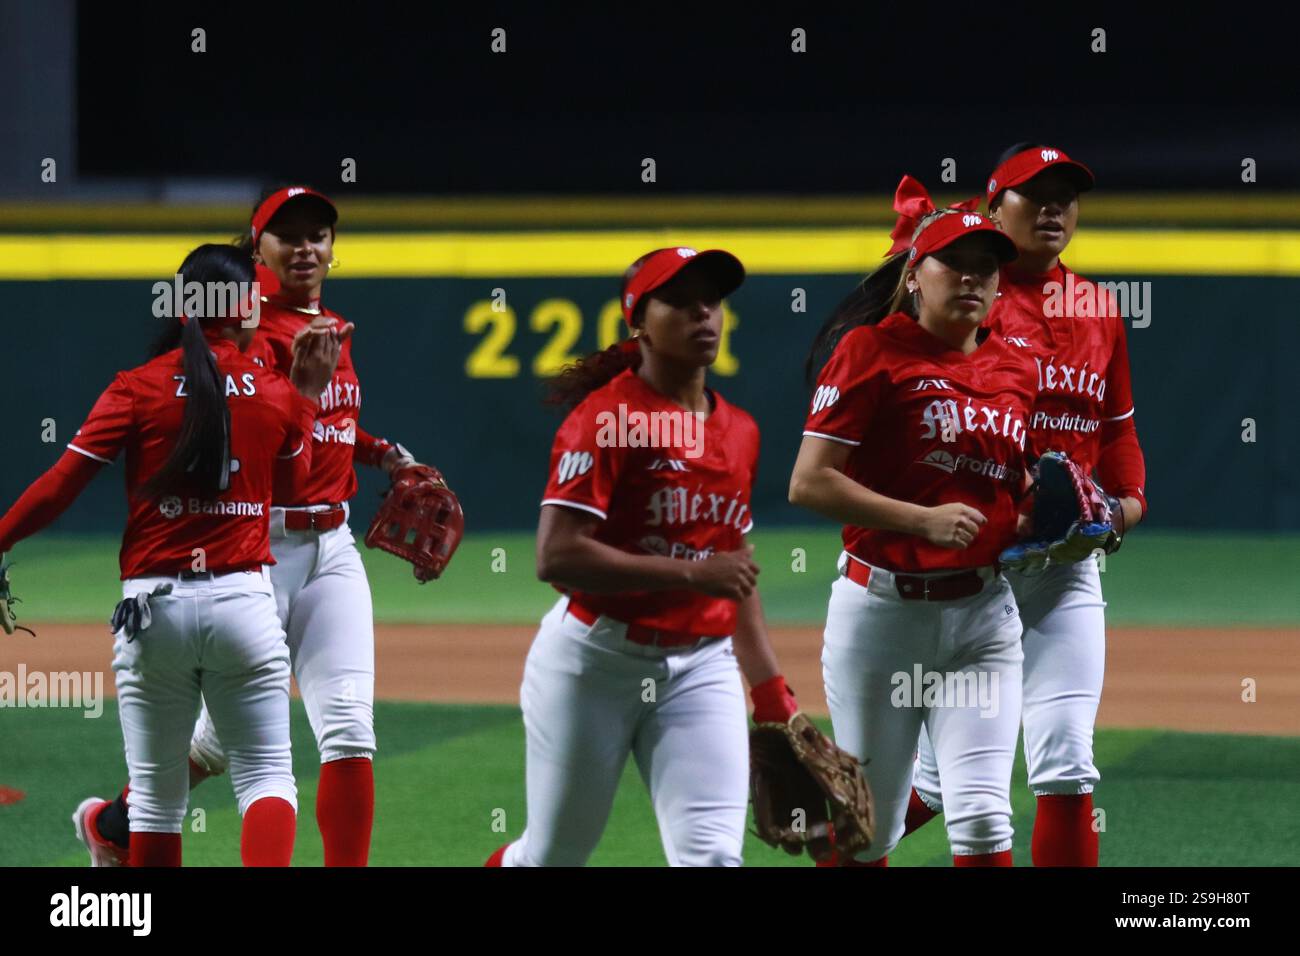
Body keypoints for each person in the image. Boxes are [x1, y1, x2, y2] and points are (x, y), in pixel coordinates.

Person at [77, 186, 442, 867]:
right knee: (227, 746)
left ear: (334, 248)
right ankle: (125, 824)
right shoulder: (244, 333)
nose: (306, 247)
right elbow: (274, 426)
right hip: (255, 544)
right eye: (288, 236)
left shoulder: (328, 326)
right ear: (257, 249)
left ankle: (124, 826)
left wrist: (381, 452)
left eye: (318, 235)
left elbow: (325, 421)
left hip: (331, 546)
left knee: (350, 728)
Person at [0, 244, 342, 866]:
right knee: (267, 780)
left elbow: (59, 486)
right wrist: (307, 396)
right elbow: (294, 490)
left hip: (151, 610)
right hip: (244, 603)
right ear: (241, 308)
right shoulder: (273, 390)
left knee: (155, 803)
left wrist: (0, 538)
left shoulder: (138, 386)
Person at [486, 246, 802, 867]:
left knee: (712, 858)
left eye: (711, 302)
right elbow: (556, 556)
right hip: (594, 663)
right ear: (638, 321)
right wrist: (693, 571)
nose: (703, 315)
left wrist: (772, 694)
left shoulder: (739, 429)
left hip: (701, 668)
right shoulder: (605, 420)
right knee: (555, 855)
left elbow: (733, 571)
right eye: (680, 304)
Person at [906, 145, 1148, 866]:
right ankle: (834, 840)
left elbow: (1117, 431)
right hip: (975, 562)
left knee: (1067, 757)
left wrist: (1124, 508)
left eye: (1065, 196)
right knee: (936, 782)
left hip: (1066, 563)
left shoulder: (1098, 305)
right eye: (1032, 194)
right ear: (992, 206)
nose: (1052, 208)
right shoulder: (967, 294)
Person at [790, 177, 1034, 866]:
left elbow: (1010, 488)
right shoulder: (870, 352)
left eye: (986, 267)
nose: (972, 278)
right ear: (915, 276)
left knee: (985, 820)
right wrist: (919, 521)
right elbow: (809, 482)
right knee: (869, 835)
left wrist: (1041, 518)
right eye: (954, 263)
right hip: (882, 617)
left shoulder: (1014, 367)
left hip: (983, 618)